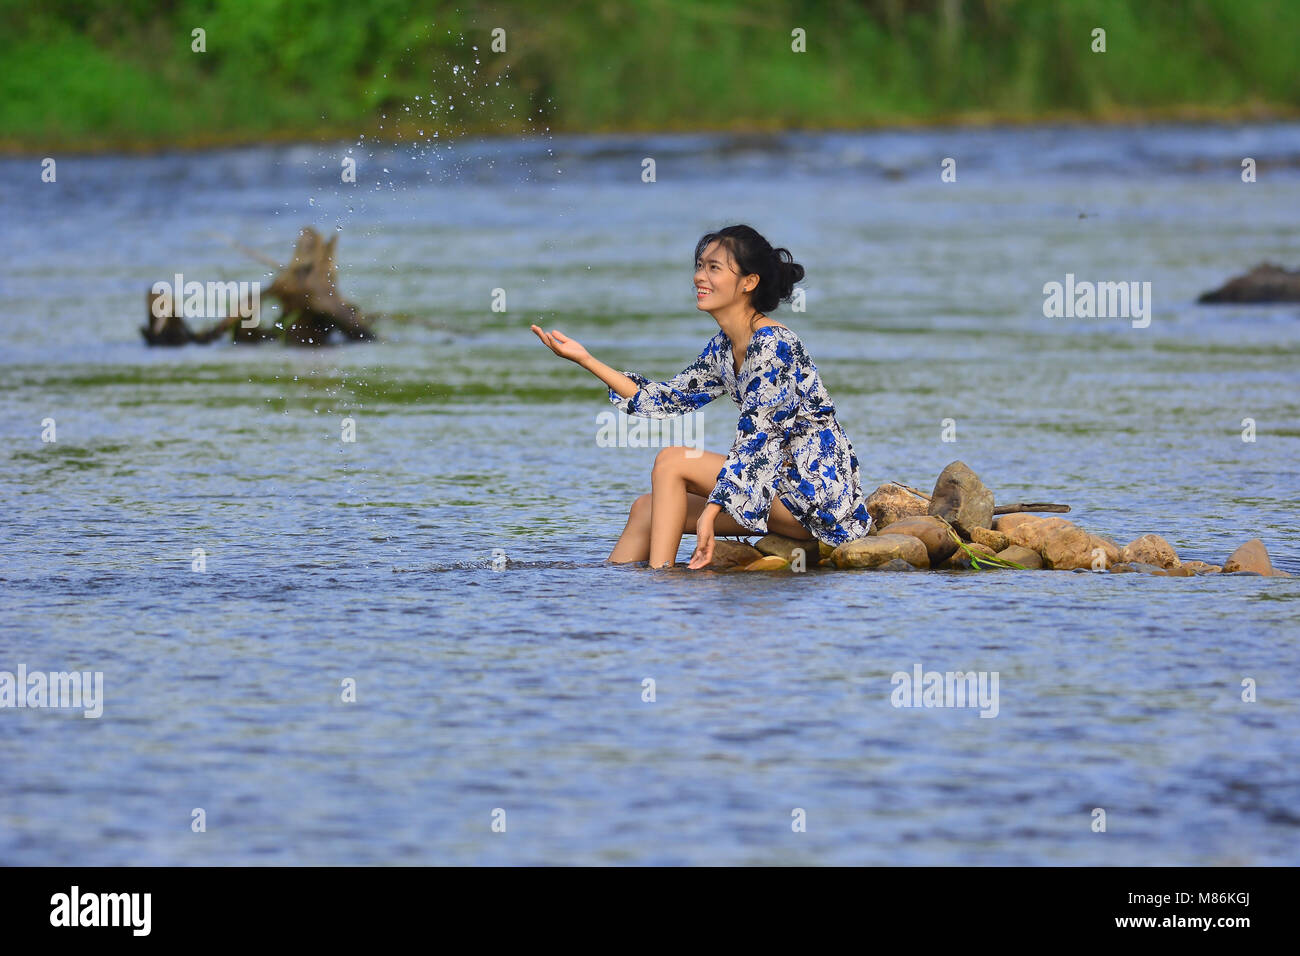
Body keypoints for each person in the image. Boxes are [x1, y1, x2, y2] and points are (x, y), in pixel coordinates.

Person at [531, 224, 873, 569]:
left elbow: (760, 439)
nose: (699, 277)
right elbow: (665, 399)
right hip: (773, 488)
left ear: (748, 282)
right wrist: (586, 360)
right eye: (699, 265)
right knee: (645, 509)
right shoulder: (724, 346)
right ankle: (615, 592)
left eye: (714, 268)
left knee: (673, 460)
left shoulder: (773, 346)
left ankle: (662, 580)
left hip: (815, 499)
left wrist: (710, 512)